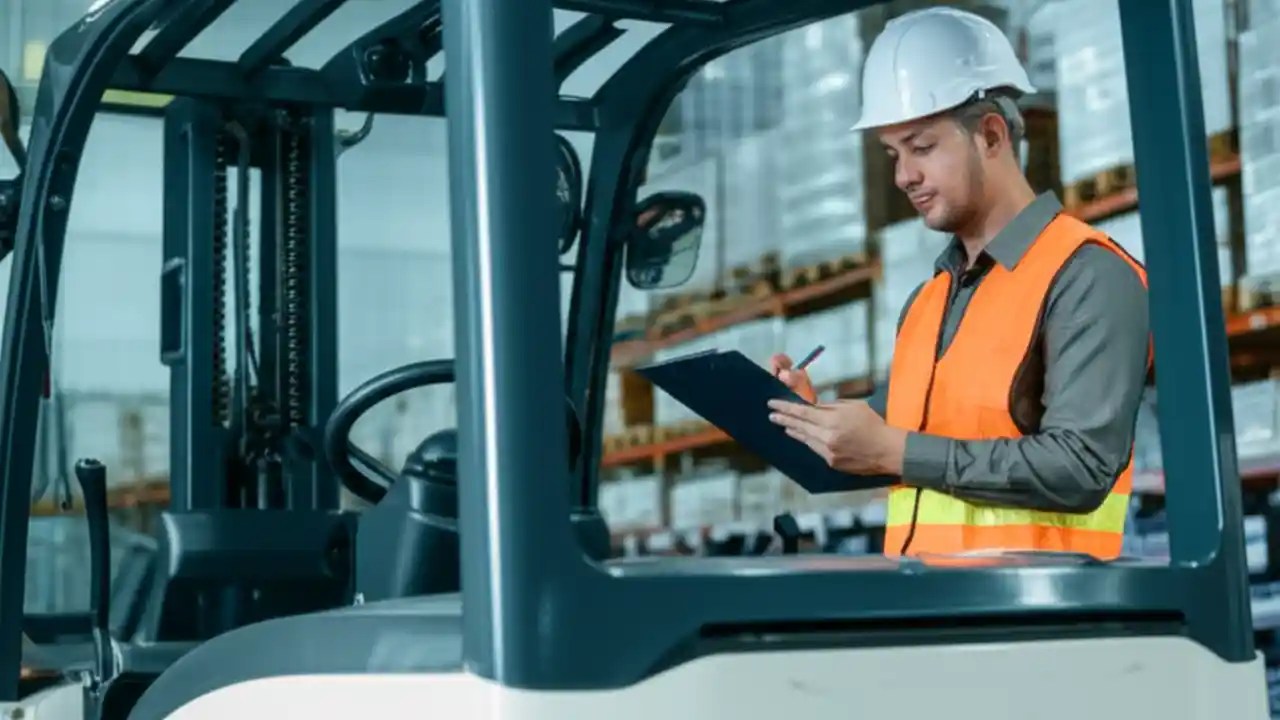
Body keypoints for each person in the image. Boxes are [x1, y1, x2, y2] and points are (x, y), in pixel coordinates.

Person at [767, 6, 1151, 560]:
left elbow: (1080, 467)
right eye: (894, 154)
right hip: (930, 617)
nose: (904, 177)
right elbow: (900, 432)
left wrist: (897, 452)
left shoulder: (1088, 274)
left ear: (991, 136)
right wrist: (815, 417)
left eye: (922, 147)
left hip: (1041, 625)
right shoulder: (927, 301)